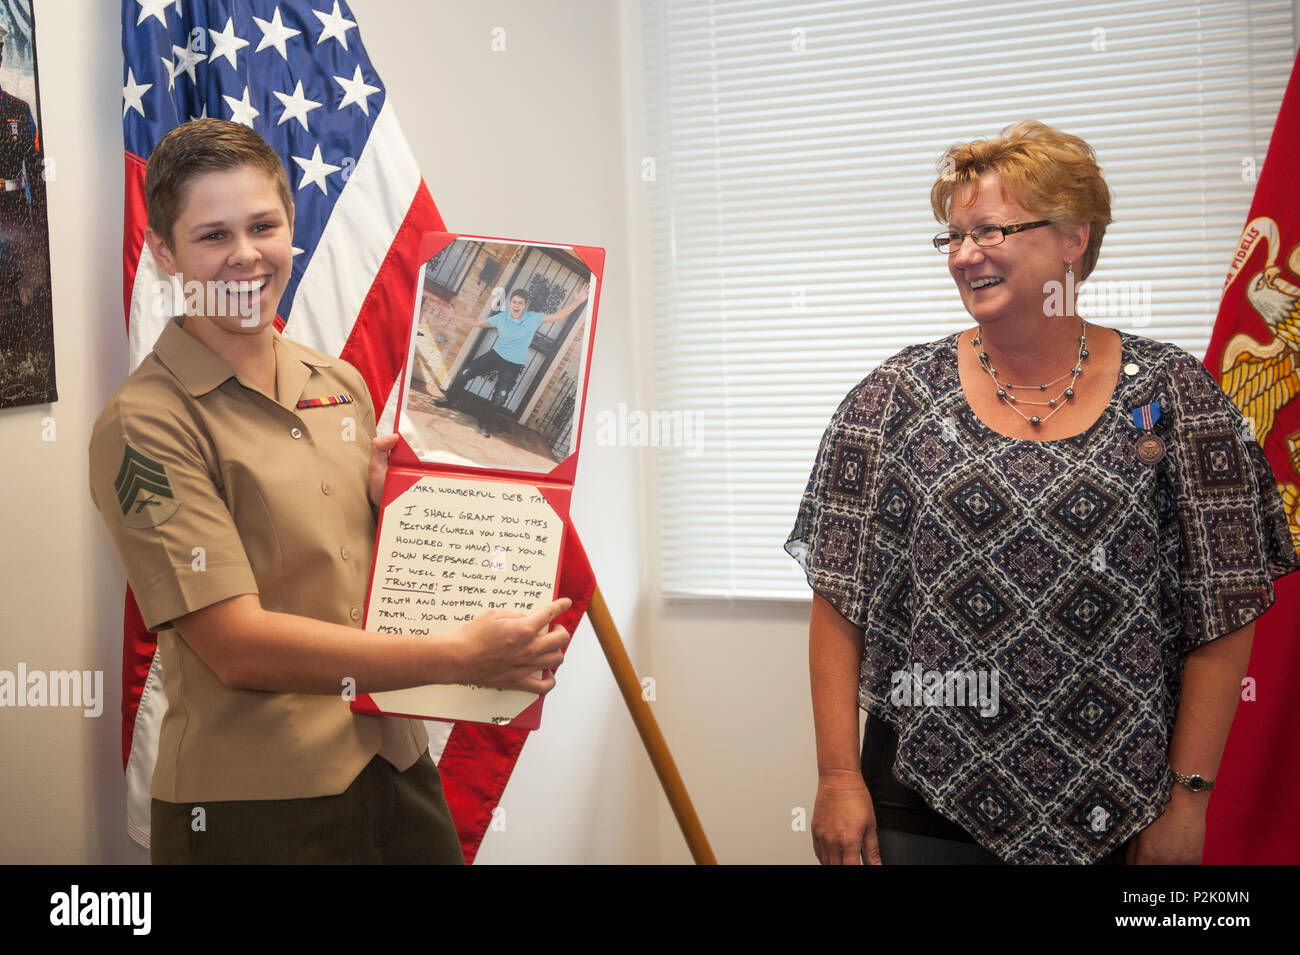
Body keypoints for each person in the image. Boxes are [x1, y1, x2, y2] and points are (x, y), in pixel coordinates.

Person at [786, 120, 1298, 865]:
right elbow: (839, 595)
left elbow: (1222, 602)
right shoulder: (893, 398)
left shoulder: (1172, 394)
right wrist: (836, 775)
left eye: (988, 230)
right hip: (922, 796)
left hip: (1121, 805)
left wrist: (1189, 798)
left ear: (1072, 238)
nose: (964, 255)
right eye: (951, 237)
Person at [88, 119, 572, 864]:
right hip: (254, 806)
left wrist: (398, 505)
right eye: (212, 235)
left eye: (263, 225)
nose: (246, 255)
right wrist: (459, 657)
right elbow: (238, 646)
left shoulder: (337, 384)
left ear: (291, 227)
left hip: (394, 767)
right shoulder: (144, 423)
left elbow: (363, 574)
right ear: (163, 252)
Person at [435, 284, 587, 437]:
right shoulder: (501, 318)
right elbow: (477, 323)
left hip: (513, 364)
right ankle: (450, 401)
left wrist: (578, 301)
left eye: (520, 303)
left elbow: (558, 316)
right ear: (510, 303)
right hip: (495, 356)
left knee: (500, 397)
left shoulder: (532, 318)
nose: (517, 305)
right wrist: (452, 316)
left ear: (525, 305)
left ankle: (484, 421)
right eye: (514, 302)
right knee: (464, 373)